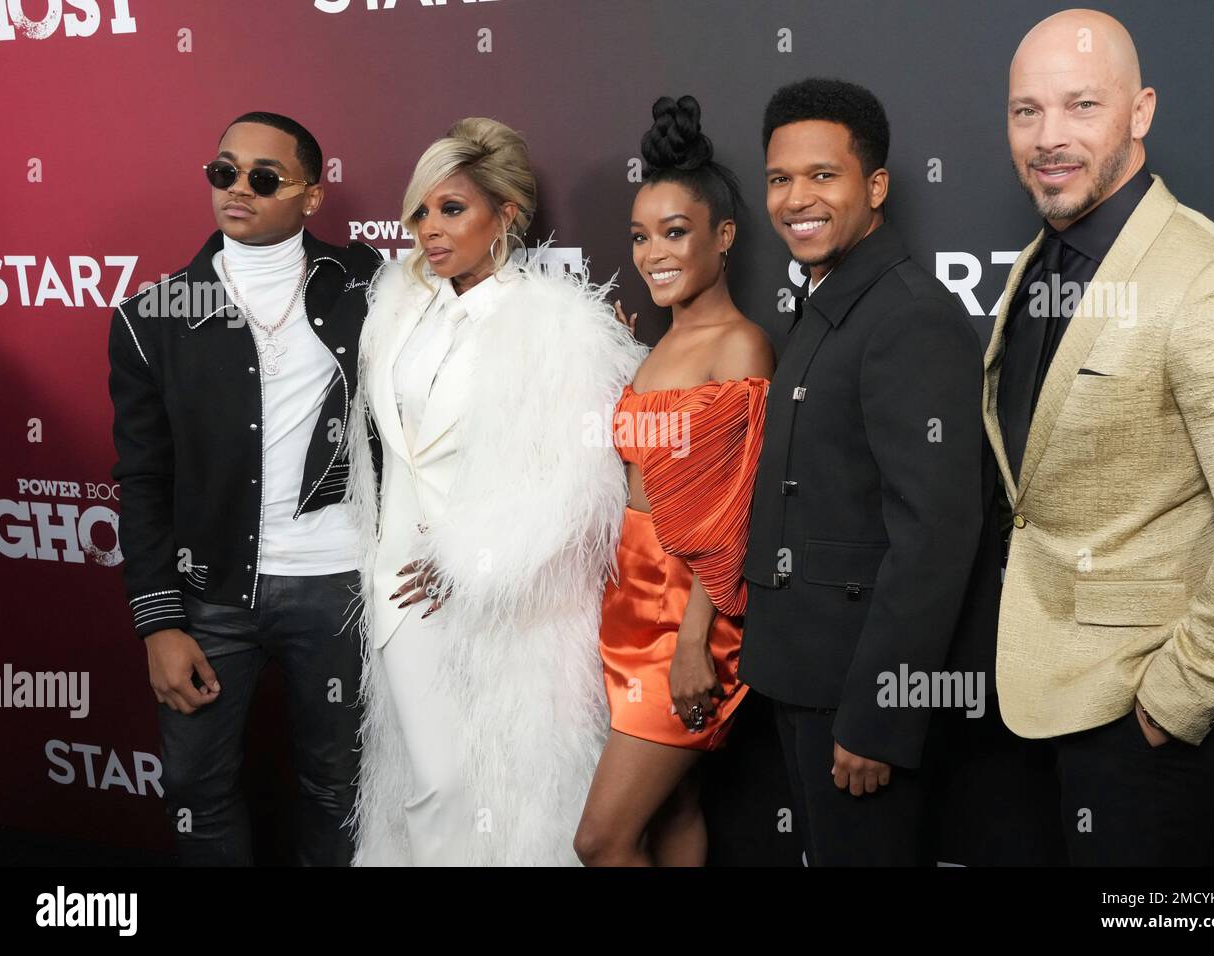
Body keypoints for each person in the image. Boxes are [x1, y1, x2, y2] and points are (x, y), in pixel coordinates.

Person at [987, 8, 1214, 865]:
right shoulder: (1036, 261)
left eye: (1082, 105)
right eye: (1026, 111)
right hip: (1041, 700)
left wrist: (1179, 698)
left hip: (1153, 728)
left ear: (1141, 113)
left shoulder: (1213, 281)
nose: (1050, 137)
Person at [344, 117, 645, 865]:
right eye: (420, 211)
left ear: (505, 215)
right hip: (402, 593)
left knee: (511, 792)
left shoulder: (557, 326)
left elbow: (580, 485)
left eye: (451, 210)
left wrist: (473, 557)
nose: (428, 230)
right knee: (435, 781)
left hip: (511, 599)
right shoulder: (397, 309)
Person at [107, 112, 383, 865]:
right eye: (223, 171)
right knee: (196, 787)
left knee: (340, 785)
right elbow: (143, 480)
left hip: (339, 582)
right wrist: (159, 622)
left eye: (265, 178)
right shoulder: (148, 319)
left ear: (312, 196)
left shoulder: (368, 286)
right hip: (211, 595)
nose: (237, 189)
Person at [738, 78, 986, 866]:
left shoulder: (908, 313)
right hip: (802, 680)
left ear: (875, 186)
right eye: (779, 179)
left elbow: (935, 540)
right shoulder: (828, 301)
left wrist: (880, 715)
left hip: (857, 701)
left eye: (822, 175)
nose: (795, 199)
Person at [573, 95, 774, 867]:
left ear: (724, 238)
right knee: (674, 806)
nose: (652, 252)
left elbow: (732, 513)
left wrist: (696, 639)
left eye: (675, 232)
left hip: (686, 608)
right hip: (627, 599)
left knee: (601, 841)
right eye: (639, 235)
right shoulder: (655, 346)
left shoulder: (740, 346)